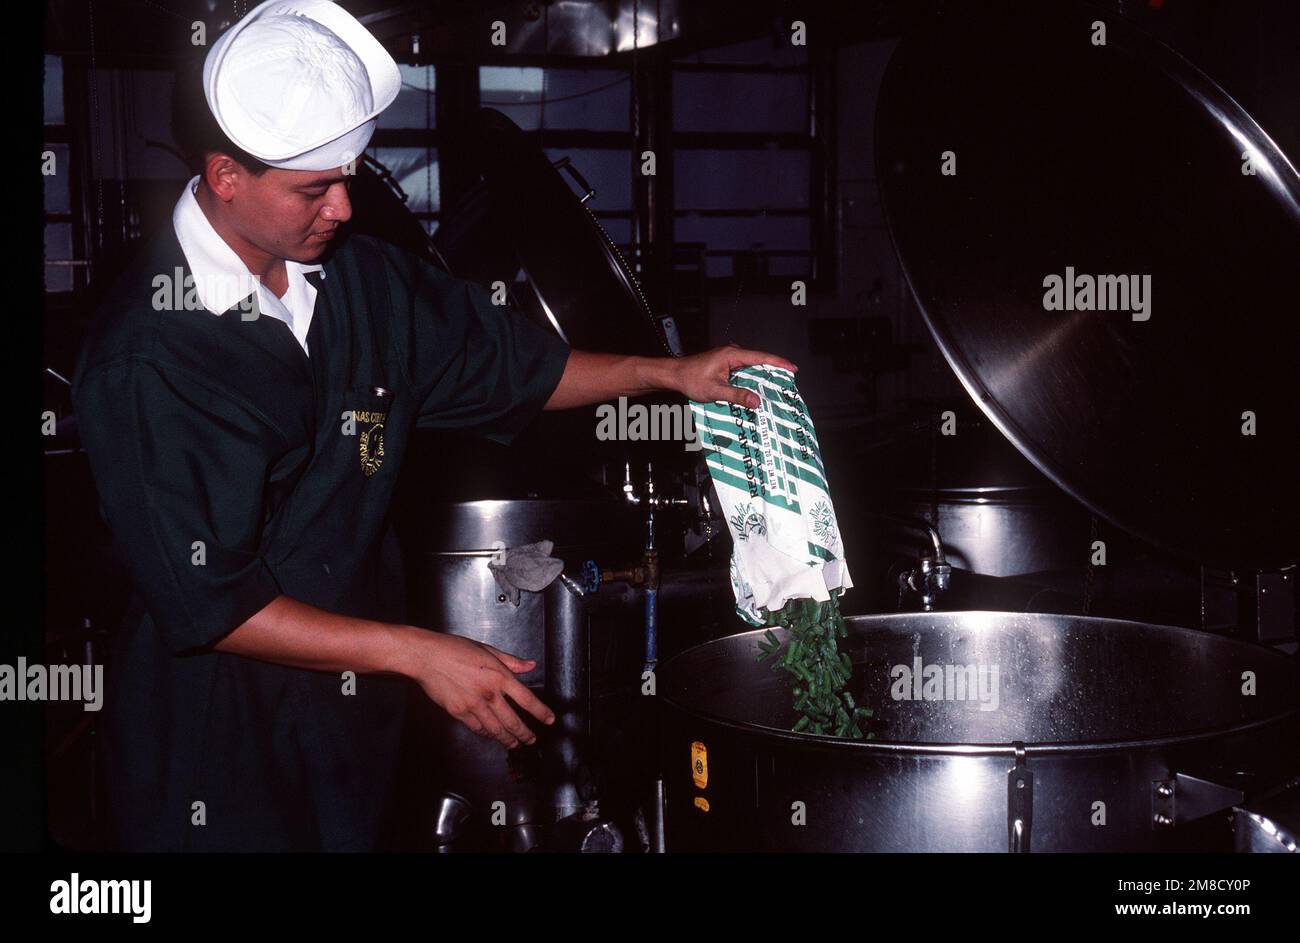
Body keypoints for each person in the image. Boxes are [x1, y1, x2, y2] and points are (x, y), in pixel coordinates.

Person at [70, 0, 796, 851]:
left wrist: (670, 373)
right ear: (226, 174)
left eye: (348, 175)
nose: (343, 207)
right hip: (213, 739)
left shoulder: (362, 281)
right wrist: (420, 652)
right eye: (314, 188)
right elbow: (214, 605)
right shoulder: (150, 352)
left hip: (346, 727)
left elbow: (514, 367)